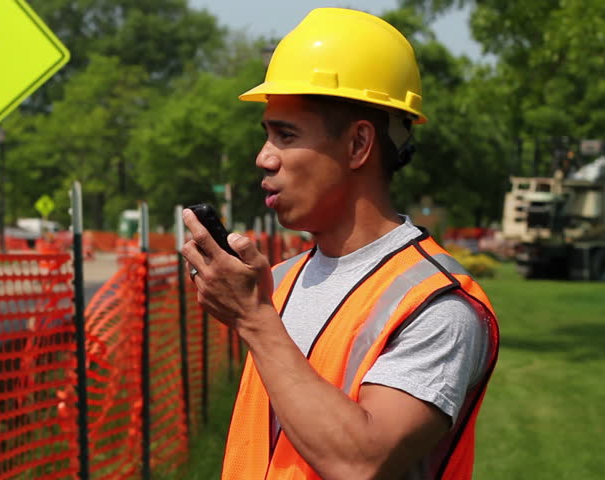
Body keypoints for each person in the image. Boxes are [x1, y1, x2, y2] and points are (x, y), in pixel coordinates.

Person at [181, 8, 499, 480]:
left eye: (285, 135)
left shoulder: (438, 307)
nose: (263, 157)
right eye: (267, 134)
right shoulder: (280, 282)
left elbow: (360, 462)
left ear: (357, 145)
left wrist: (253, 319)